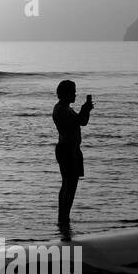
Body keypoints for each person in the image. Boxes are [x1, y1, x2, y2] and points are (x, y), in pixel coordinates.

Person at [52, 79, 93, 229]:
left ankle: (63, 217)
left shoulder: (63, 108)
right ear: (67, 93)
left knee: (67, 184)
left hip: (68, 149)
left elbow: (81, 122)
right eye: (73, 91)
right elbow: (80, 121)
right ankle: (64, 217)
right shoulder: (62, 110)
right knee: (70, 185)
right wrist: (85, 109)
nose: (75, 94)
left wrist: (85, 110)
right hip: (68, 150)